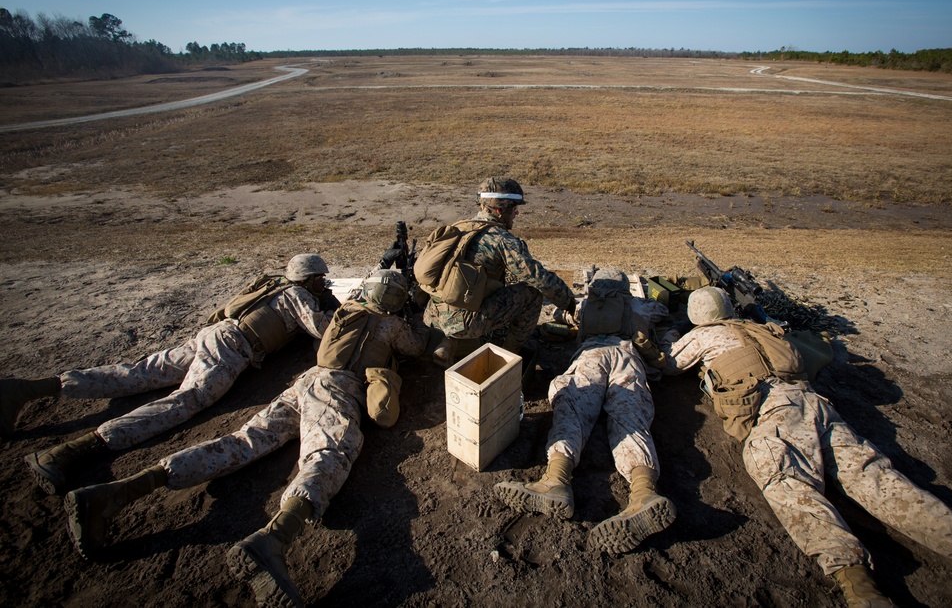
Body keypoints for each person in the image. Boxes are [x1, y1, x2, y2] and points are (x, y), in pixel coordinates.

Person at [65, 269, 428, 608]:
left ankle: (120, 491)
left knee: (245, 440)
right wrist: (413, 317)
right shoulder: (391, 325)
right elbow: (417, 346)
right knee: (330, 454)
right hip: (338, 391)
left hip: (306, 382)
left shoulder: (345, 311)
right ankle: (274, 540)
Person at [637, 286, 952, 607]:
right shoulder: (764, 329)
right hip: (816, 406)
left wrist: (671, 334)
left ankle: (858, 584)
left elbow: (670, 365)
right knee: (875, 477)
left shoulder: (704, 336)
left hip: (772, 413)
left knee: (789, 487)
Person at [1, 254, 338, 496]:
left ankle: (32, 389)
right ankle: (72, 451)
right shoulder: (298, 295)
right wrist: (331, 307)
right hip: (232, 348)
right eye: (319, 279)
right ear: (308, 279)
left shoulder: (274, 284)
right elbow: (323, 332)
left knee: (139, 373)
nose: (322, 283)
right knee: (186, 401)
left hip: (214, 334)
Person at [494, 269, 677, 554]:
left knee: (572, 406)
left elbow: (560, 315)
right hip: (627, 358)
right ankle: (644, 492)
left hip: (590, 356)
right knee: (631, 417)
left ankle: (556, 479)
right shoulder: (639, 307)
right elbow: (663, 311)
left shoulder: (586, 305)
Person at [423, 177, 575, 366]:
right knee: (532, 294)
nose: (516, 214)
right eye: (514, 209)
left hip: (433, 316)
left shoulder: (459, 227)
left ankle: (449, 343)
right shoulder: (502, 240)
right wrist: (568, 302)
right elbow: (538, 277)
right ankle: (505, 358)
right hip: (464, 322)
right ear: (499, 210)